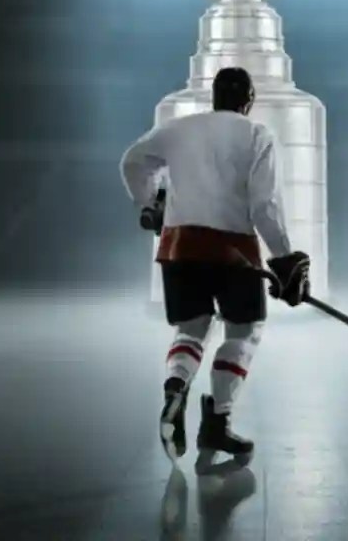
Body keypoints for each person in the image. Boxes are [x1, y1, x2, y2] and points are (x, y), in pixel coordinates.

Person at [120, 66, 311, 462]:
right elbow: (264, 206)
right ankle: (217, 423)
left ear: (214, 97)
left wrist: (151, 202)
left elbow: (132, 162)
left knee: (191, 329)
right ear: (250, 100)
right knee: (244, 330)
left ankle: (176, 388)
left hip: (179, 245)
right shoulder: (257, 135)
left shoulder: (178, 128)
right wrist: (283, 258)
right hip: (232, 249)